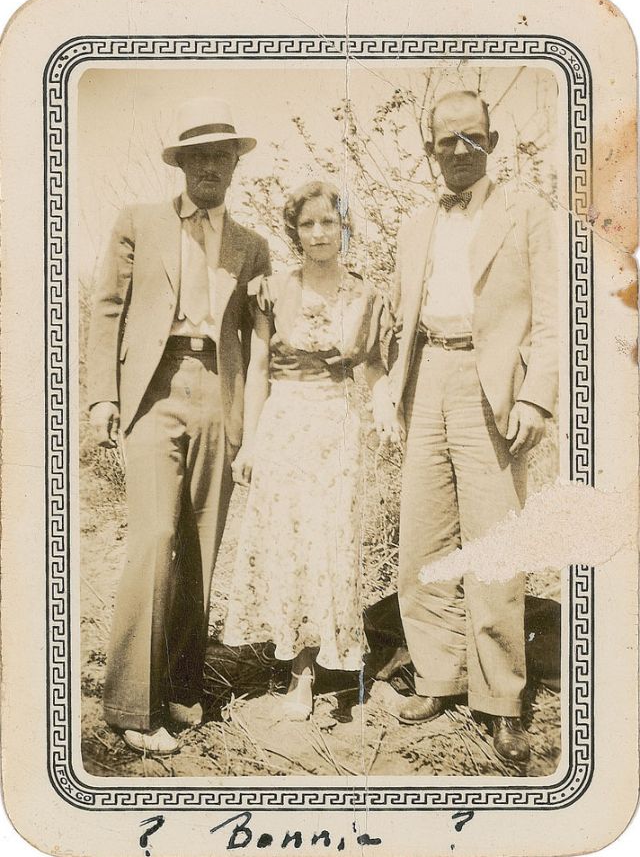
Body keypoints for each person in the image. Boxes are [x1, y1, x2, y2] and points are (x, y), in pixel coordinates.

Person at [87, 97, 271, 755]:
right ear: (183, 163)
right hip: (153, 389)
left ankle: (180, 687)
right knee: (156, 534)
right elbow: (107, 309)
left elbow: (267, 337)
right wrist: (101, 398)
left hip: (219, 395)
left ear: (234, 165)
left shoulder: (253, 246)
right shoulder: (138, 221)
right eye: (199, 156)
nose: (211, 166)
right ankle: (132, 709)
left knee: (199, 543)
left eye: (222, 155)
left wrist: (259, 421)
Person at [389, 91, 557, 763]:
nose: (458, 151)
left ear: (493, 138)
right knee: (423, 538)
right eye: (444, 141)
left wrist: (536, 397)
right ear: (429, 150)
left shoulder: (527, 213)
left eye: (470, 138)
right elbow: (401, 314)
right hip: (427, 375)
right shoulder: (413, 223)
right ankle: (437, 675)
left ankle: (500, 700)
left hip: (493, 389)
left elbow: (552, 313)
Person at [222, 180, 401, 719]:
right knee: (288, 545)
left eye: (329, 222)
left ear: (344, 226)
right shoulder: (270, 290)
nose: (319, 233)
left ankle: (338, 661)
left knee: (332, 543)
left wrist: (385, 410)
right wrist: (250, 443)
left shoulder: (367, 295)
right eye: (308, 224)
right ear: (294, 232)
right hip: (285, 425)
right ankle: (298, 676)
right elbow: (257, 368)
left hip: (338, 428)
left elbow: (371, 366)